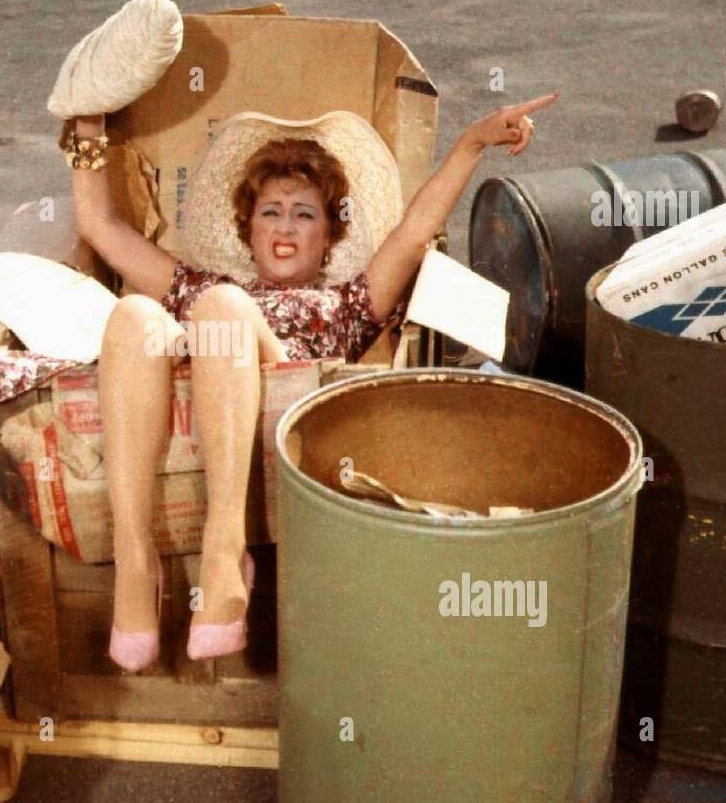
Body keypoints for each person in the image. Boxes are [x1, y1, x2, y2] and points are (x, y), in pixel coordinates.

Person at [66, 93, 558, 671]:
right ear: (247, 229)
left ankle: (224, 556)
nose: (285, 226)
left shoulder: (345, 303)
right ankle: (135, 563)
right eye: (270, 211)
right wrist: (87, 125)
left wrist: (472, 142)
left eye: (305, 214)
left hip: (286, 399)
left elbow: (415, 229)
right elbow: (100, 227)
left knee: (221, 306)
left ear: (328, 238)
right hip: (185, 386)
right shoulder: (194, 286)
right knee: (132, 317)